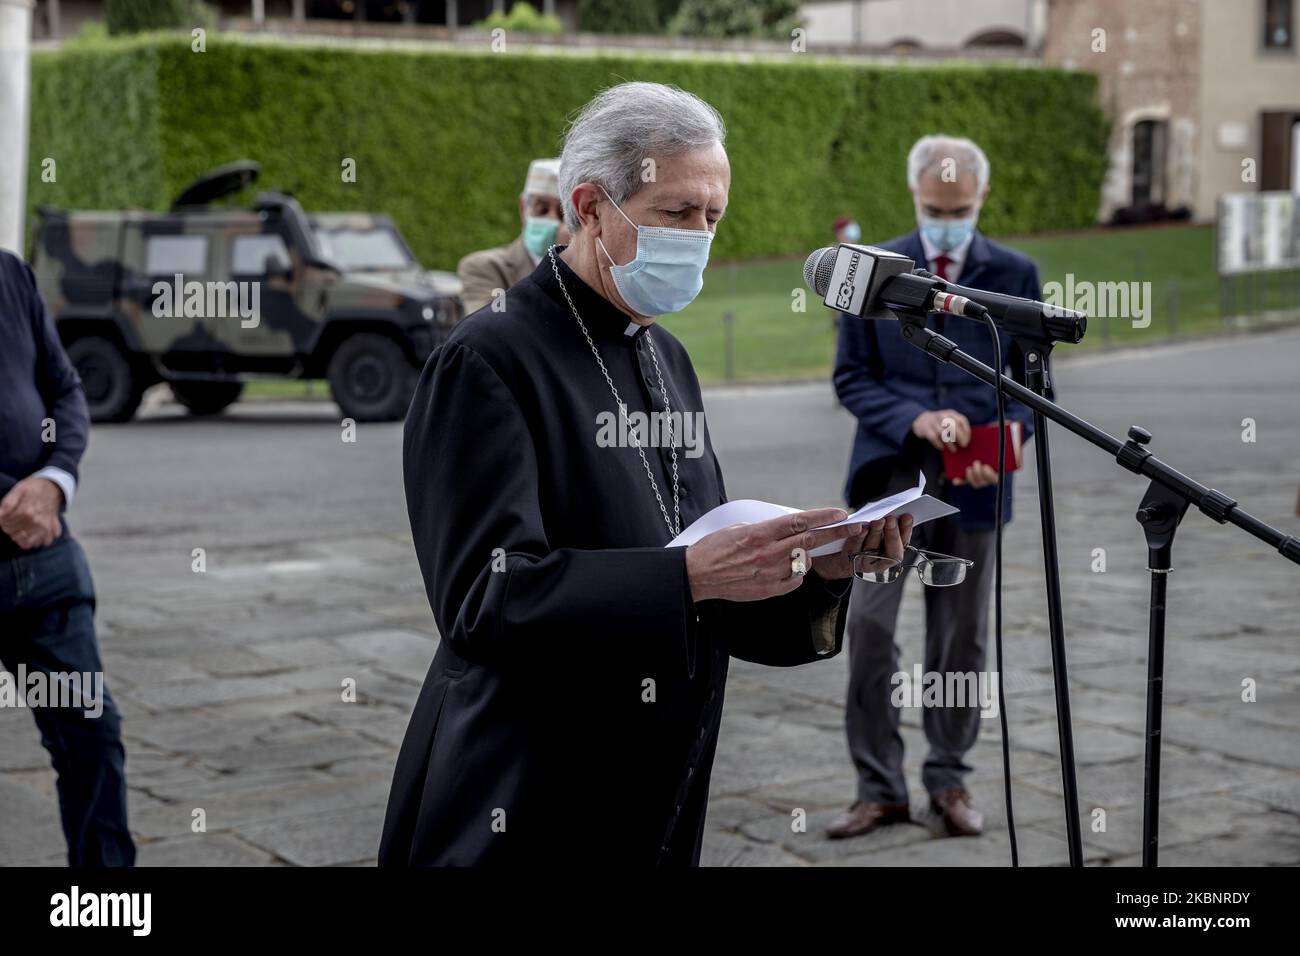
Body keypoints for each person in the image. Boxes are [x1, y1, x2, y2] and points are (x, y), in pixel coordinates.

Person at [380, 82, 913, 867]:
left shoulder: (666, 355)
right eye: (677, 212)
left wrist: (815, 566)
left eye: (712, 218)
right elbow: (481, 601)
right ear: (591, 206)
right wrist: (689, 578)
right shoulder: (487, 357)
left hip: (657, 785)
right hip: (525, 788)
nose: (699, 236)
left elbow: (708, 582)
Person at [828, 134, 1039, 840]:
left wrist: (1002, 441)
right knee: (869, 627)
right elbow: (851, 376)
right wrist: (916, 417)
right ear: (913, 194)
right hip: (890, 481)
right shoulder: (871, 271)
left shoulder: (1016, 271)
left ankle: (948, 780)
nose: (947, 218)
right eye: (933, 206)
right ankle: (877, 786)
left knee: (961, 642)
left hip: (978, 490)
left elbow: (1033, 389)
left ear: (981, 199)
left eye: (960, 207)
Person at [0, 250, 135, 866]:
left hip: (42, 557)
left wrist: (54, 479)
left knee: (90, 735)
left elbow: (65, 389)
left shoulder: (10, 274)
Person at [457, 157, 572, 313]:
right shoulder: (486, 267)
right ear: (523, 208)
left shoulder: (586, 272)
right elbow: (491, 329)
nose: (551, 219)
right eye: (541, 209)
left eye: (561, 213)